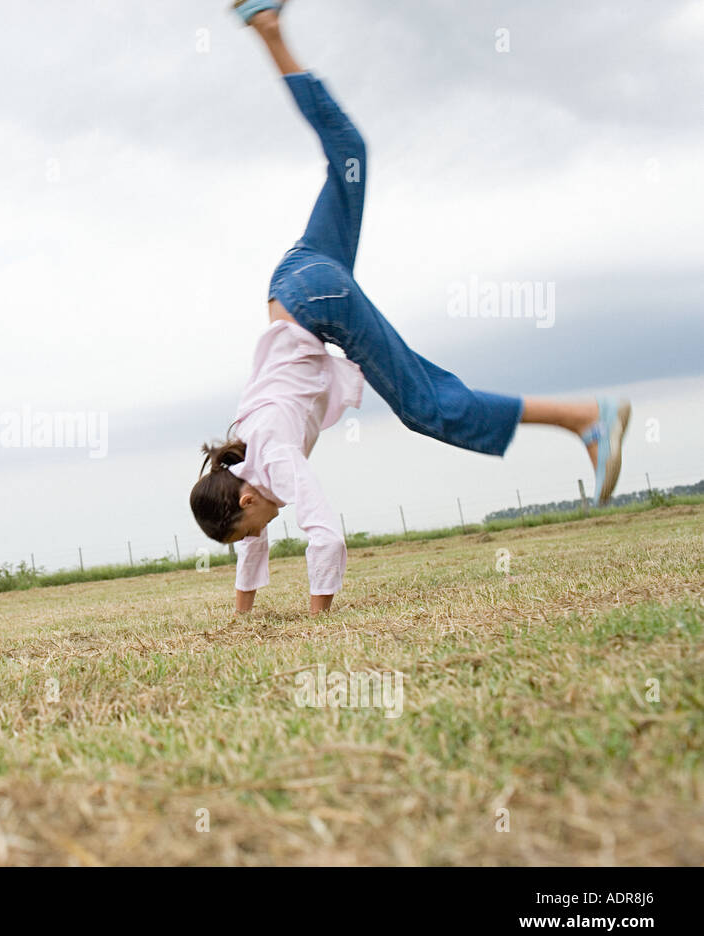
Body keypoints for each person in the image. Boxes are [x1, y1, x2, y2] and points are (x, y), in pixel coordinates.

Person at [190, 0, 630, 615]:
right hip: (295, 278)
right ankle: (269, 28)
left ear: (244, 502)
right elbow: (253, 543)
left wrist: (318, 622)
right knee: (349, 153)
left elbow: (325, 533)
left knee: (426, 407)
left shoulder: (275, 461)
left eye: (252, 528)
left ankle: (584, 417)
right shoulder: (250, 454)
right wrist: (241, 618)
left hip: (320, 300)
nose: (262, 533)